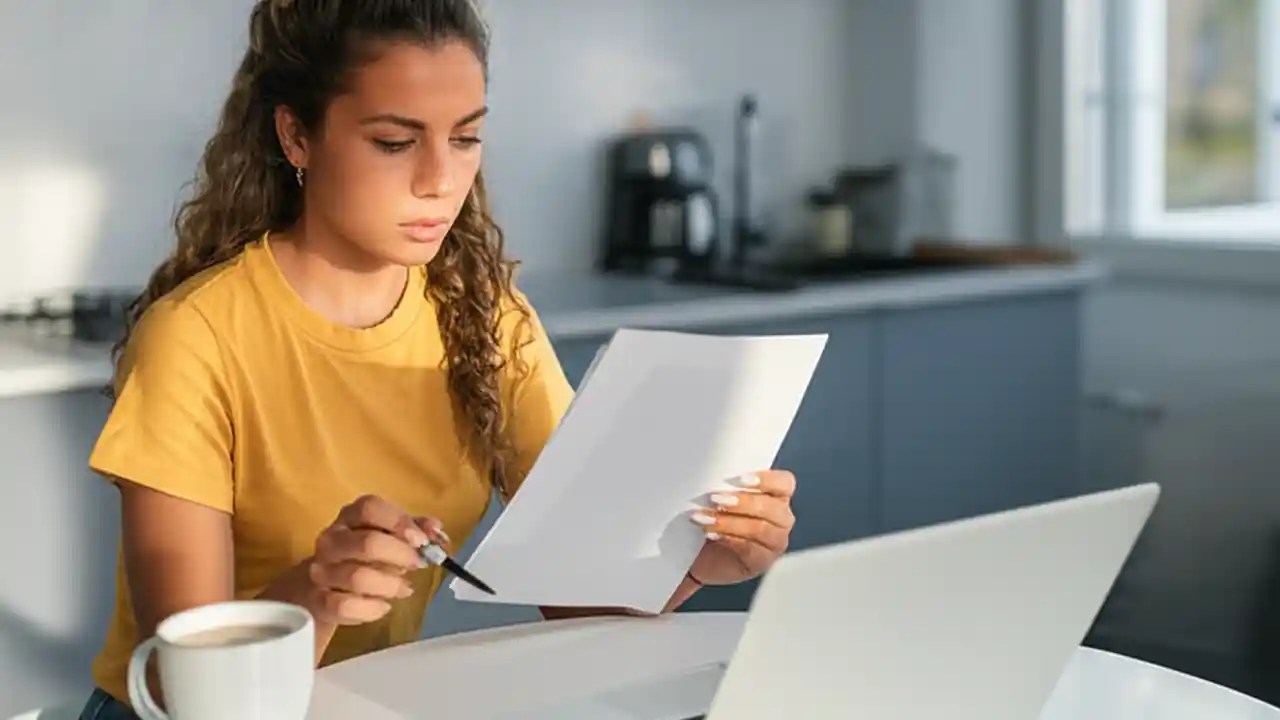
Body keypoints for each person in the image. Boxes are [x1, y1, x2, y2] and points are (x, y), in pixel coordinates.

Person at [77, 1, 798, 717]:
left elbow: (578, 598)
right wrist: (319, 590)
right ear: (297, 136)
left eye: (465, 138)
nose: (439, 178)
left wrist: (696, 564)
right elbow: (185, 684)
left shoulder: (486, 316)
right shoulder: (195, 337)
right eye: (395, 142)